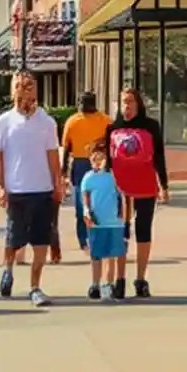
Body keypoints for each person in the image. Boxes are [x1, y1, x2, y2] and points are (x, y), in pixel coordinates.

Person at [0, 70, 64, 306]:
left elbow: (53, 155)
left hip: (41, 189)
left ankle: (35, 286)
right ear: (13, 91)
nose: (24, 90)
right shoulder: (4, 122)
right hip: (16, 190)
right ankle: (8, 269)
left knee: (41, 241)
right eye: (19, 86)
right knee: (14, 238)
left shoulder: (46, 122)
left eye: (29, 86)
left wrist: (58, 183)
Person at [105, 87, 170, 299]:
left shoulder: (151, 127)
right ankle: (120, 279)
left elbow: (159, 156)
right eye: (123, 102)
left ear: (138, 104)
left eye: (131, 101)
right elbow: (107, 162)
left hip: (145, 186)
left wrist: (164, 186)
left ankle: (141, 278)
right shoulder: (112, 129)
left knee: (143, 231)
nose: (127, 106)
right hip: (120, 188)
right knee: (121, 233)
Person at [58, 91, 112, 260]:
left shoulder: (106, 121)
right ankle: (84, 239)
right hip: (80, 163)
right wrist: (63, 172)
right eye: (81, 101)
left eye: (87, 101)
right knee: (82, 205)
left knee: (101, 204)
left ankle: (99, 236)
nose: (84, 104)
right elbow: (66, 148)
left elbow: (111, 145)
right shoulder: (73, 121)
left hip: (99, 162)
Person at [80, 142, 127, 301]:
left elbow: (122, 195)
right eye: (94, 158)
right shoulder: (88, 177)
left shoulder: (114, 176)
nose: (98, 161)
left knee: (111, 255)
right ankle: (95, 283)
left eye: (102, 157)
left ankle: (108, 283)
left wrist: (123, 215)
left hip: (113, 221)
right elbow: (85, 196)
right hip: (96, 222)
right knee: (96, 254)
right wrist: (86, 211)